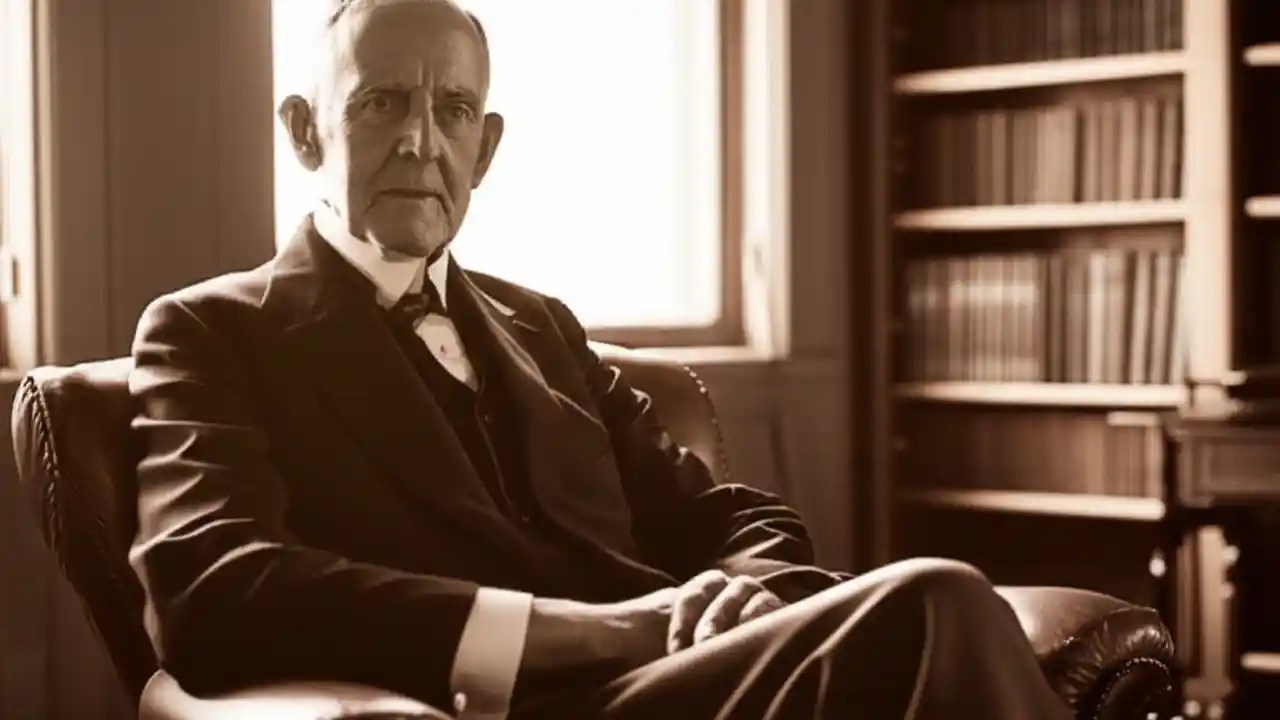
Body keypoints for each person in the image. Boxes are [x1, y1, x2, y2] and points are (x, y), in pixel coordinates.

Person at [127, 1, 1074, 717]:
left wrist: (744, 592)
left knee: (934, 620)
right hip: (519, 703)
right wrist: (588, 630)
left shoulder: (542, 327)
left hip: (682, 675)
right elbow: (214, 590)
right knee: (936, 600)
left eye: (454, 110)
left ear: (485, 148)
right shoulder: (207, 332)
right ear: (304, 130)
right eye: (381, 103)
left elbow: (725, 516)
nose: (421, 139)